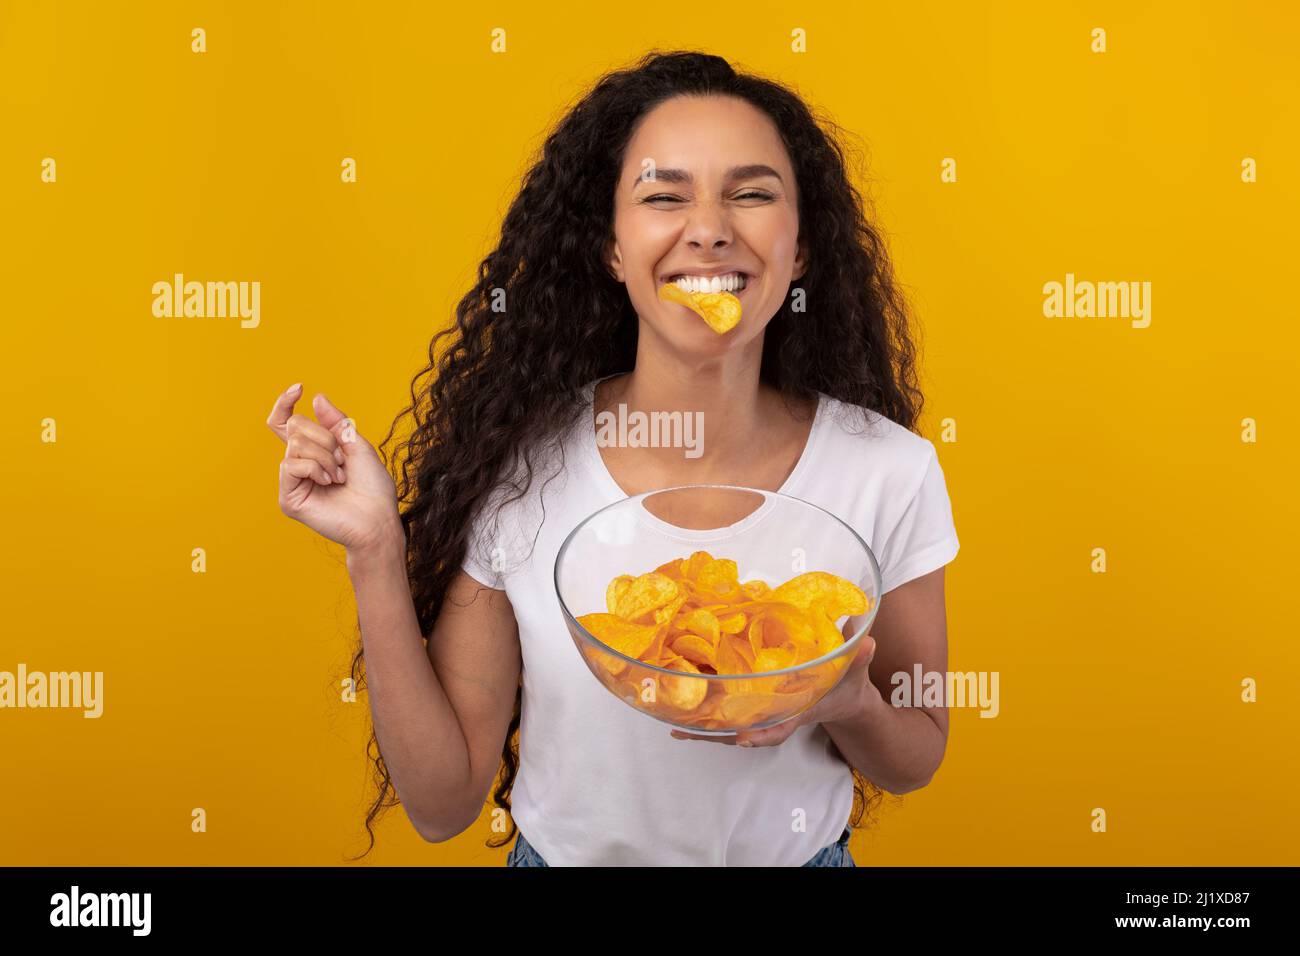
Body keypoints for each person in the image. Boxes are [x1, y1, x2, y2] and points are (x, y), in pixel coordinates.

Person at [265, 50, 959, 866]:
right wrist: (377, 550)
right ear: (613, 249)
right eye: (664, 196)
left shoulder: (887, 471)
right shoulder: (522, 466)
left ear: (801, 250)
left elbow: (918, 753)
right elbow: (442, 804)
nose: (708, 227)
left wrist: (847, 703)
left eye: (753, 193)